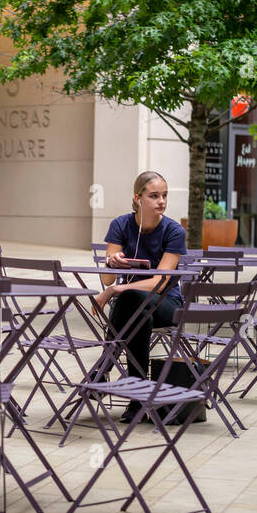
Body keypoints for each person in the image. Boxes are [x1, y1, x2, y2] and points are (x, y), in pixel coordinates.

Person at [95, 171, 187, 422]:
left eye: (165, 195)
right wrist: (111, 264)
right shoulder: (120, 225)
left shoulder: (174, 231)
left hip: (168, 305)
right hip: (136, 309)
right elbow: (106, 280)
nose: (162, 202)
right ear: (138, 198)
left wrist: (115, 290)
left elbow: (160, 282)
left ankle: (103, 367)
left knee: (131, 299)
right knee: (137, 311)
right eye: (154, 196)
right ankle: (138, 399)